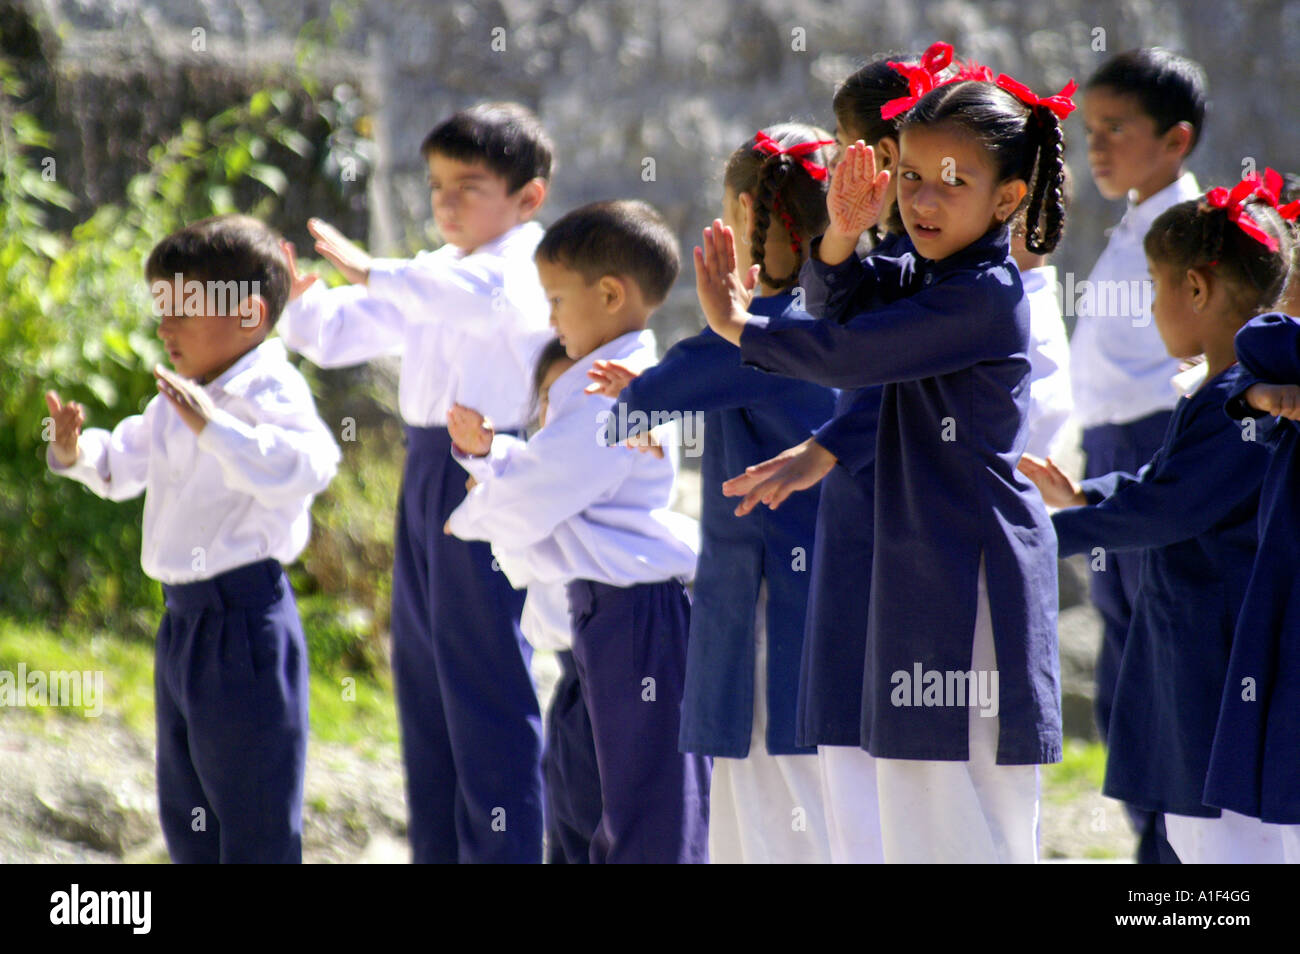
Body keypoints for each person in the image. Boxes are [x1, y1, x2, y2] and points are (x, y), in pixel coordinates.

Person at [703, 73, 1071, 863]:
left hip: (969, 561)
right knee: (915, 791)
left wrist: (740, 327)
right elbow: (846, 301)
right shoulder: (938, 275)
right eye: (910, 177)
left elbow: (853, 352)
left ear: (1008, 199)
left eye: (953, 182)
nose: (923, 201)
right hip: (924, 550)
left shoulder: (983, 294)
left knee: (967, 800)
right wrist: (840, 234)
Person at [278, 103, 554, 862]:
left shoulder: (524, 270)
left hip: (487, 479)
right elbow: (342, 335)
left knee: (487, 686)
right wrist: (303, 307)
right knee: (425, 678)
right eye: (437, 184)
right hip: (427, 471)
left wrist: (374, 270)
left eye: (469, 185)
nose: (445, 201)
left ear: (527, 199)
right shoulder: (435, 271)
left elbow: (474, 300)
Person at [44, 214, 340, 862]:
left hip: (244, 623)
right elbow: (122, 460)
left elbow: (310, 465)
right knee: (190, 812)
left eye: (183, 308)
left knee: (253, 818)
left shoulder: (268, 388)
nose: (165, 326)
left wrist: (216, 430)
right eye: (162, 308)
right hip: (183, 625)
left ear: (250, 316)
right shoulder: (178, 398)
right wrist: (73, 449)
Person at [1022, 172, 1294, 863]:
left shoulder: (1243, 402)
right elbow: (1165, 484)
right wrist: (1088, 495)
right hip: (1195, 643)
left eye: (1153, 283)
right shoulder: (1225, 390)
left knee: (1227, 838)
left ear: (1196, 289)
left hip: (1220, 651)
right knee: (1197, 833)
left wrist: (1033, 536)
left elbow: (1171, 507)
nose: (1149, 302)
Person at [585, 124, 837, 863]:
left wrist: (649, 393)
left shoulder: (752, 332)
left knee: (764, 812)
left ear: (746, 219)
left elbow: (628, 417)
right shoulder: (845, 317)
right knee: (825, 812)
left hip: (768, 615)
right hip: (833, 593)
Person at [445, 200, 708, 863]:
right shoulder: (600, 385)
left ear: (611, 293)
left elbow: (542, 490)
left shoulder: (618, 392)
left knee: (644, 820)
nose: (550, 318)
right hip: (604, 621)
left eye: (557, 300)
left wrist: (476, 509)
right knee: (583, 808)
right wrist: (488, 458)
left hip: (637, 620)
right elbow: (549, 474)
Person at [1070, 48, 1208, 863]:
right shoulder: (1133, 223)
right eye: (1090, 129)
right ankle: (1149, 840)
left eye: (1117, 127)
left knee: (1161, 656)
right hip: (1108, 448)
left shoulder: (1191, 234)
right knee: (1125, 650)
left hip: (1157, 447)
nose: (1097, 145)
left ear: (1176, 138)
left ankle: (1174, 856)